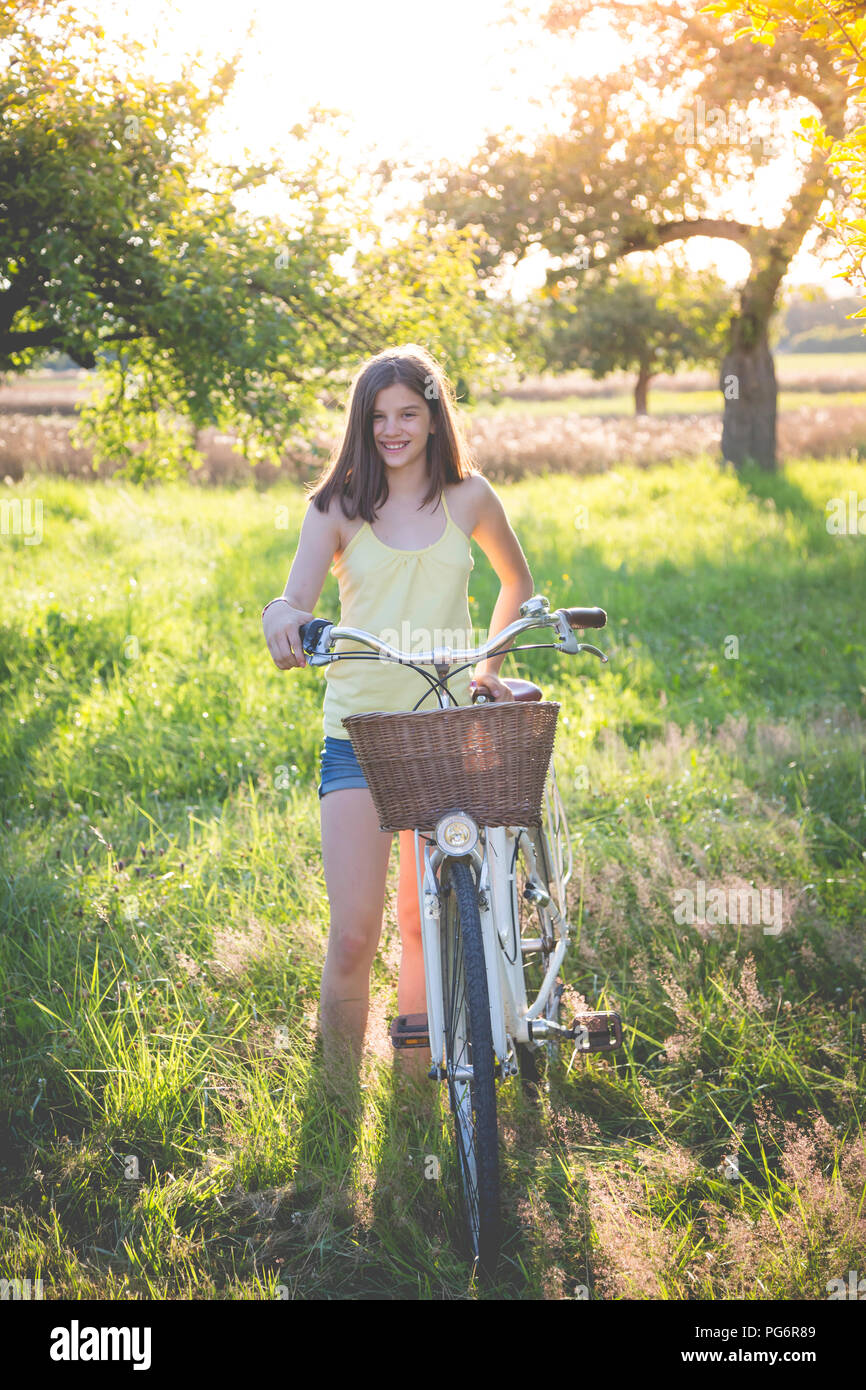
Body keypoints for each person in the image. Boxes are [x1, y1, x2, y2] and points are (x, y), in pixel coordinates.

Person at [261, 344, 533, 1086]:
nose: (393, 429)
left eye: (408, 413)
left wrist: (487, 671)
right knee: (355, 932)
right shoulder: (336, 506)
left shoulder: (469, 497)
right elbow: (294, 600)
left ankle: (418, 1087)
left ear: (434, 414)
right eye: (378, 416)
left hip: (442, 734)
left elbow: (518, 585)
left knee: (426, 921)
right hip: (357, 737)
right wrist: (277, 618)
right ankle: (336, 1091)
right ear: (362, 422)